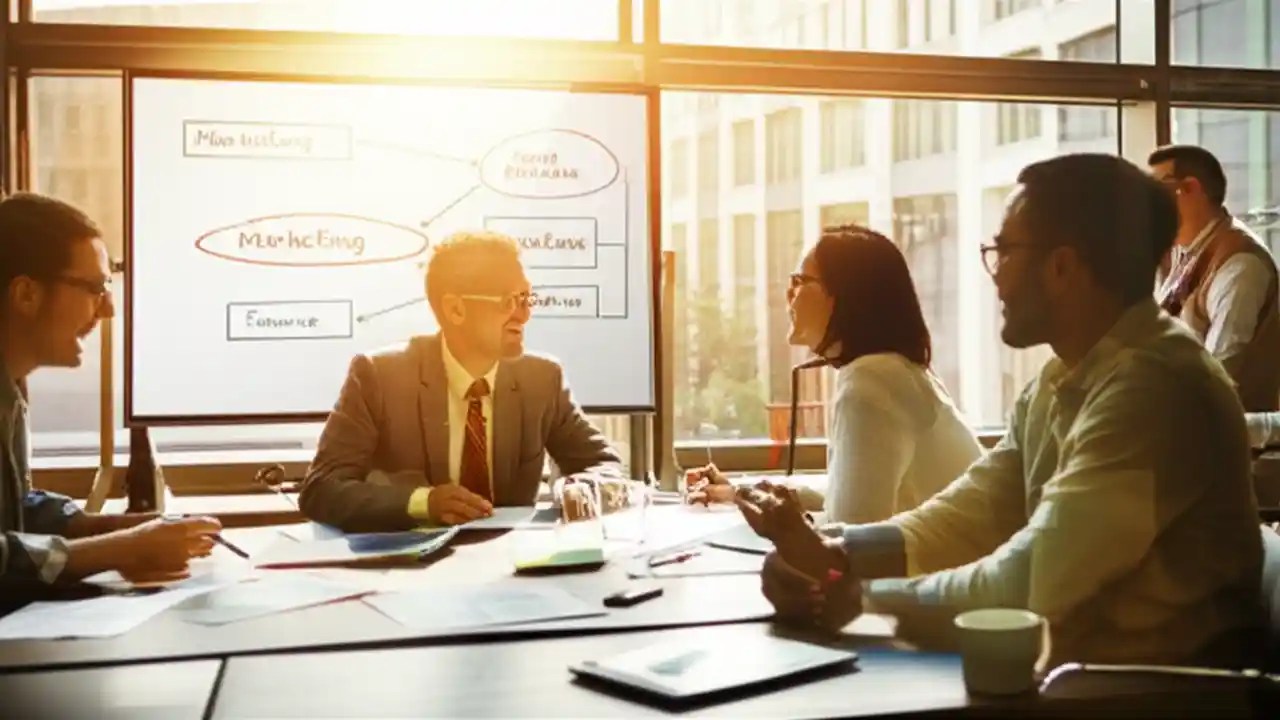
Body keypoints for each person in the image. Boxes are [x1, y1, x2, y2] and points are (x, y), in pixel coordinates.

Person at [737, 153, 1264, 668]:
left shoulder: (1157, 389)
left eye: (1005, 250)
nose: (994, 274)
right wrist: (836, 552)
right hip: (1069, 675)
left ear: (1061, 267)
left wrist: (859, 602)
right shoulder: (1061, 381)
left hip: (1150, 694)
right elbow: (971, 515)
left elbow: (1032, 581)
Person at [300, 230, 633, 532]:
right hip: (412, 569)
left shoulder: (542, 379)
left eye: (526, 299)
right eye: (509, 301)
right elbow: (321, 488)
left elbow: (603, 465)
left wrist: (578, 491)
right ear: (456, 309)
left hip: (512, 566)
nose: (524, 314)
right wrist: (423, 503)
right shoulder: (379, 376)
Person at [0, 192, 221, 600]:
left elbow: (10, 509)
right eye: (95, 288)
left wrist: (99, 527)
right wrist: (120, 550)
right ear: (26, 294)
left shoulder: (10, 391)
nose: (108, 310)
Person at [684, 225, 981, 524]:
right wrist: (740, 493)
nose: (788, 294)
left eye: (799, 281)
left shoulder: (871, 383)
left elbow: (849, 532)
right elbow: (845, 495)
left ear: (844, 295)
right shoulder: (895, 372)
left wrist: (772, 522)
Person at [1149, 144, 1280, 411]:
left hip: (1222, 429)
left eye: (1156, 192)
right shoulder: (1183, 252)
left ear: (1191, 188)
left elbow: (1218, 372)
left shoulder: (1240, 264)